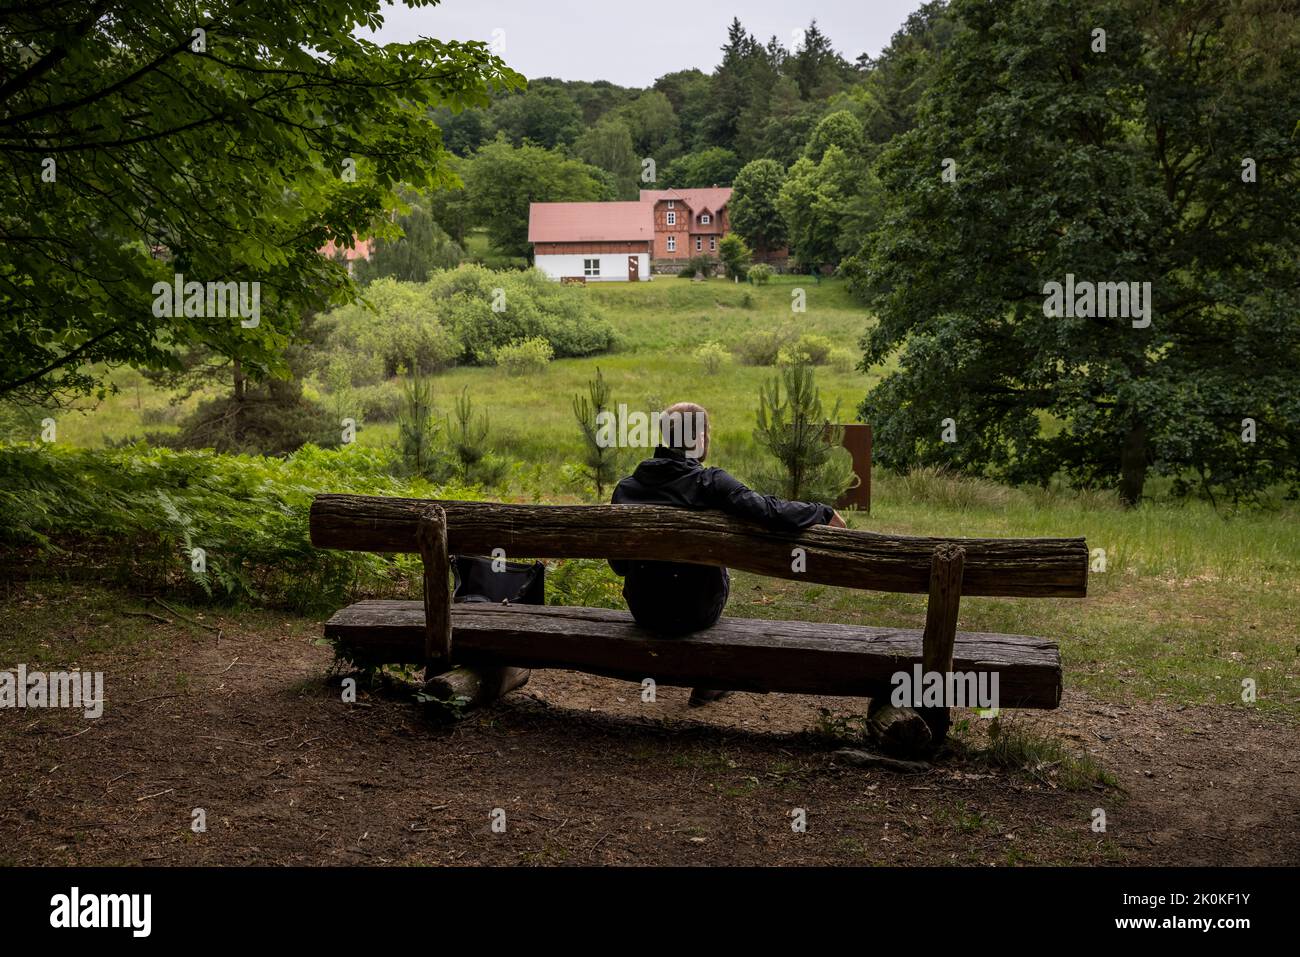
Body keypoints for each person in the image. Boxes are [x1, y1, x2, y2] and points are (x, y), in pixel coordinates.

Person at [609, 402, 846, 706]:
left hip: (645, 610)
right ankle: (711, 677)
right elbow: (769, 512)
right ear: (700, 439)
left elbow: (619, 567)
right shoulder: (710, 483)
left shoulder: (627, 488)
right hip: (696, 612)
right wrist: (822, 512)